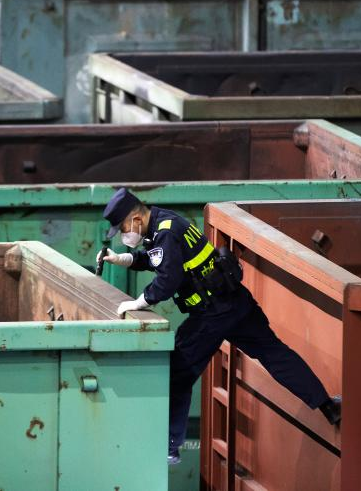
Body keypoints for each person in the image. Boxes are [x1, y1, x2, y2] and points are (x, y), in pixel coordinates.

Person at [97, 187, 341, 466]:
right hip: (235, 301)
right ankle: (327, 405)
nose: (125, 234)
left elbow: (168, 279)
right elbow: (161, 260)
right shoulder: (165, 221)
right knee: (274, 352)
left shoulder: (163, 233)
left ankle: (169, 447)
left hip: (210, 314)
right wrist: (124, 259)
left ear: (136, 219)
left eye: (124, 227)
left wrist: (140, 302)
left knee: (177, 374)